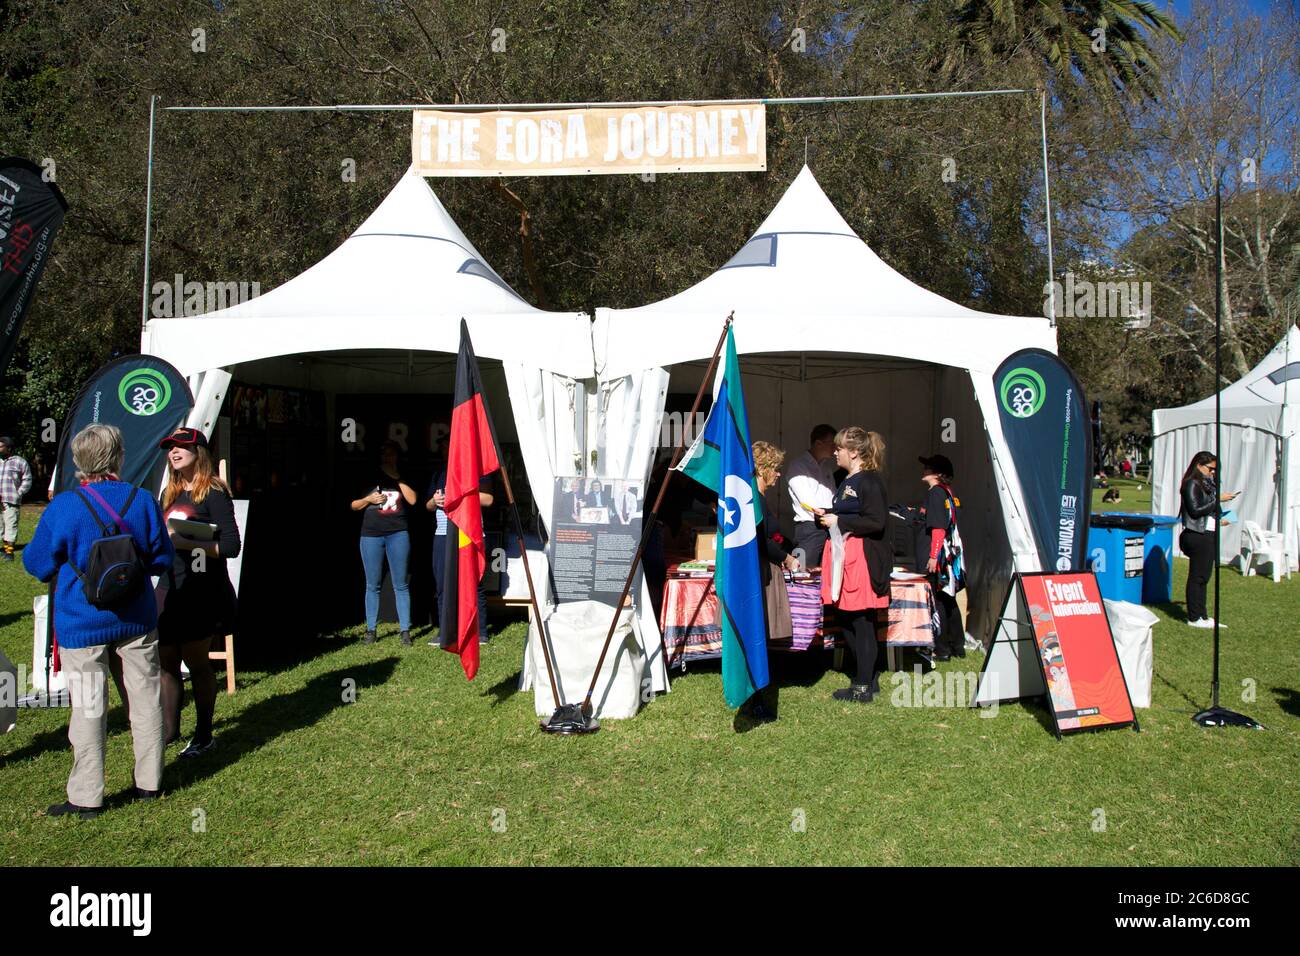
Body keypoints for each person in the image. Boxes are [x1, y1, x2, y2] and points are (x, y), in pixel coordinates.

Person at [23, 424, 174, 818]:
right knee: (145, 700)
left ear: (78, 463)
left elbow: (36, 564)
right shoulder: (141, 501)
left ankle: (88, 796)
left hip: (82, 621)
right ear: (119, 456)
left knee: (89, 708)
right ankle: (150, 782)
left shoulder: (65, 507)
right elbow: (161, 558)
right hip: (136, 618)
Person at [156, 427, 241, 758]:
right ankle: (169, 730)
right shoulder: (170, 491)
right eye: (170, 447)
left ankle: (204, 734)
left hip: (202, 591)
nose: (174, 451)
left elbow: (232, 546)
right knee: (165, 661)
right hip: (169, 587)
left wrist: (188, 543)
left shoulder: (215, 493)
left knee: (196, 661)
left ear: (199, 452)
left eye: (182, 446)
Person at [813, 428, 891, 704]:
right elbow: (851, 514)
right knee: (846, 618)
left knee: (861, 620)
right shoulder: (848, 479)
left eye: (839, 448)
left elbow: (877, 521)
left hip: (860, 555)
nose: (835, 452)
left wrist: (839, 522)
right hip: (843, 554)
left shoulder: (869, 481)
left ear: (855, 452)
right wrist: (829, 515)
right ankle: (867, 677)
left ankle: (862, 686)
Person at [426, 436, 494, 645]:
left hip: (468, 532)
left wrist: (461, 497)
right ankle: (445, 631)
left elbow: (488, 499)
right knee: (442, 585)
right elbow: (427, 505)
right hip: (443, 534)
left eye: (448, 446)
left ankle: (480, 631)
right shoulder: (439, 474)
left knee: (473, 582)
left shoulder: (476, 470)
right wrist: (434, 501)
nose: (444, 451)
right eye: (442, 447)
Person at [352, 440, 416, 645]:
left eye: (391, 454)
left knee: (401, 583)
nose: (387, 458)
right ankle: (371, 630)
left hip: (398, 533)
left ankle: (405, 631)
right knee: (372, 584)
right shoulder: (369, 476)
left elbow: (413, 500)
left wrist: (397, 478)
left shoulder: (404, 475)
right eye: (384, 454)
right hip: (371, 534)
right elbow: (354, 505)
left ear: (397, 456)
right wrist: (368, 500)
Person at [1179, 451, 1238, 629]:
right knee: (1197, 577)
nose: (1212, 473)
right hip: (1197, 535)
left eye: (1215, 470)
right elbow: (1195, 510)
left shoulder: (1207, 485)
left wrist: (1220, 520)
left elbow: (1207, 512)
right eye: (1210, 469)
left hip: (1207, 533)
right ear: (1199, 465)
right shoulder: (1191, 484)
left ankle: (1202, 616)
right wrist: (1217, 499)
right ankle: (1194, 617)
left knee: (1204, 577)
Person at [918, 453, 966, 661]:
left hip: (941, 556)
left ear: (937, 473)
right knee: (948, 598)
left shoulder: (936, 493)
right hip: (951, 555)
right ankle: (957, 645)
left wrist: (932, 555)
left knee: (937, 600)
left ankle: (941, 649)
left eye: (928, 467)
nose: (924, 470)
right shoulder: (947, 492)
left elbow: (938, 527)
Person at [785, 424, 837, 570]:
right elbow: (808, 502)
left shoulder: (826, 467)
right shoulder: (798, 466)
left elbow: (833, 496)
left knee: (827, 573)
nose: (835, 449)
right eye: (832, 444)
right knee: (804, 573)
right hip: (810, 528)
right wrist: (827, 513)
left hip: (830, 526)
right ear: (818, 443)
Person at [0, 435, 33, 562]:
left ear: (8, 448)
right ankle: (5, 548)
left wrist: (19, 493)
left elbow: (27, 479)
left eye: (1, 446)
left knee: (10, 524)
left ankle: (9, 552)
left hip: (11, 499)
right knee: (1, 526)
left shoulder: (20, 462)